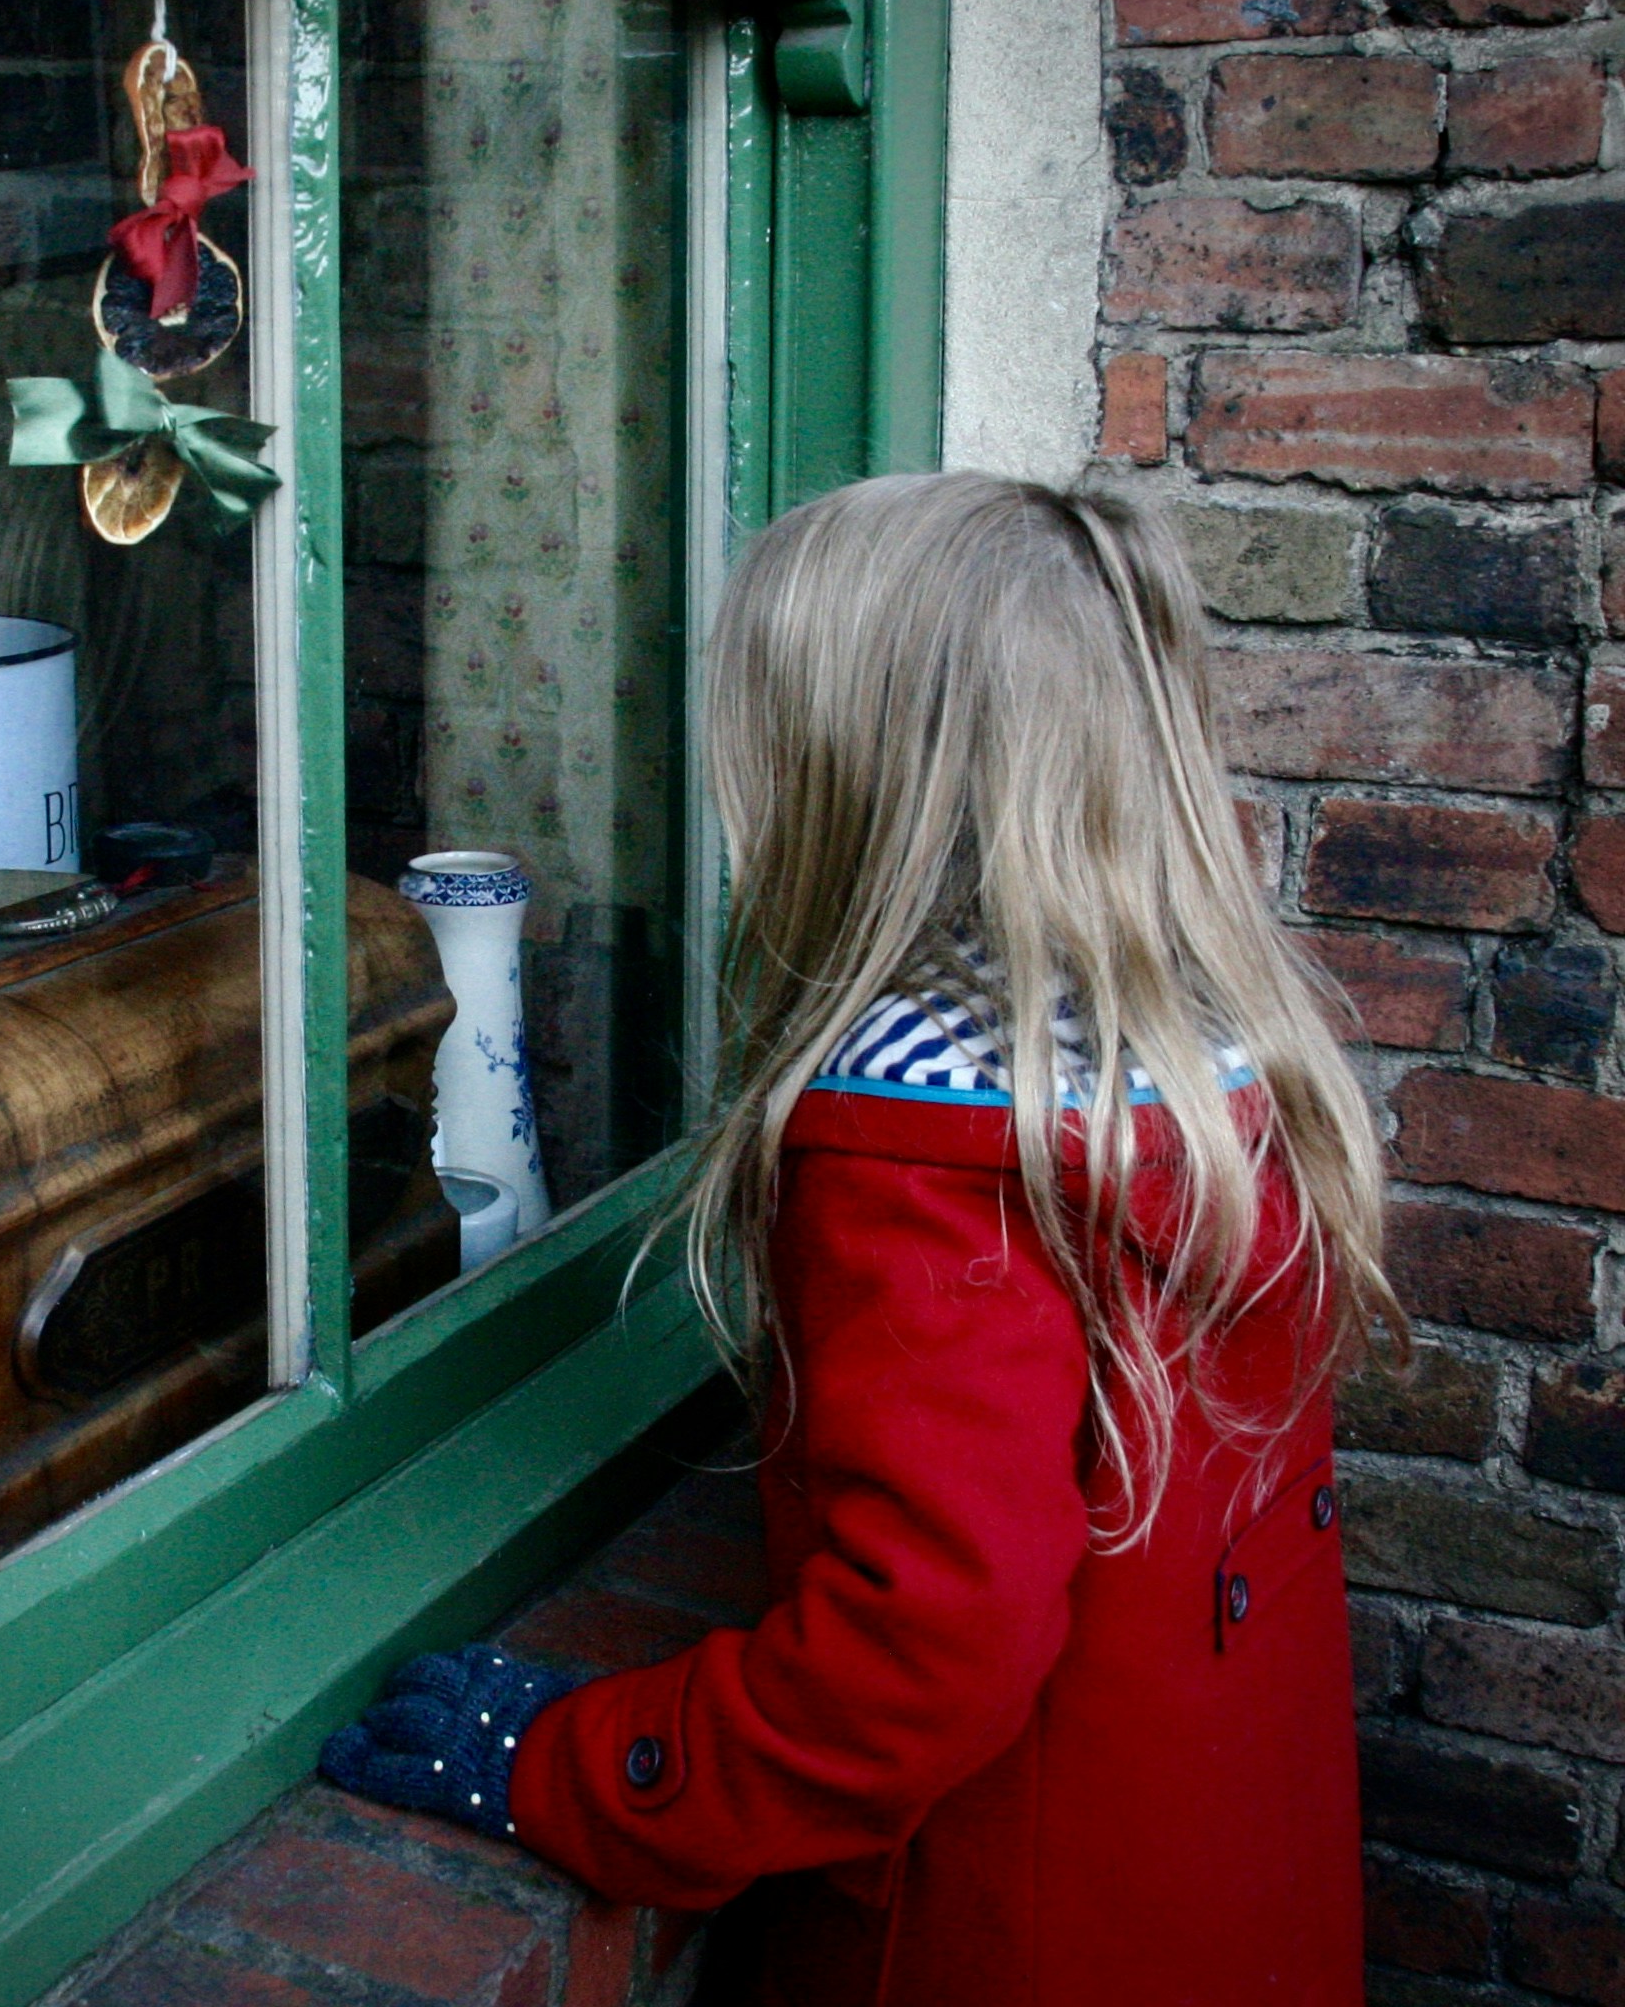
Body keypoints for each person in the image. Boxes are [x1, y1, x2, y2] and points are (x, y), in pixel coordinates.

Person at [323, 474, 1400, 2005]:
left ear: (858, 779)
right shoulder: (1215, 1052)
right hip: (1217, 1895)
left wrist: (591, 1765)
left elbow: (926, 1647)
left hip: (999, 1938)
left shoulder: (926, 1142)